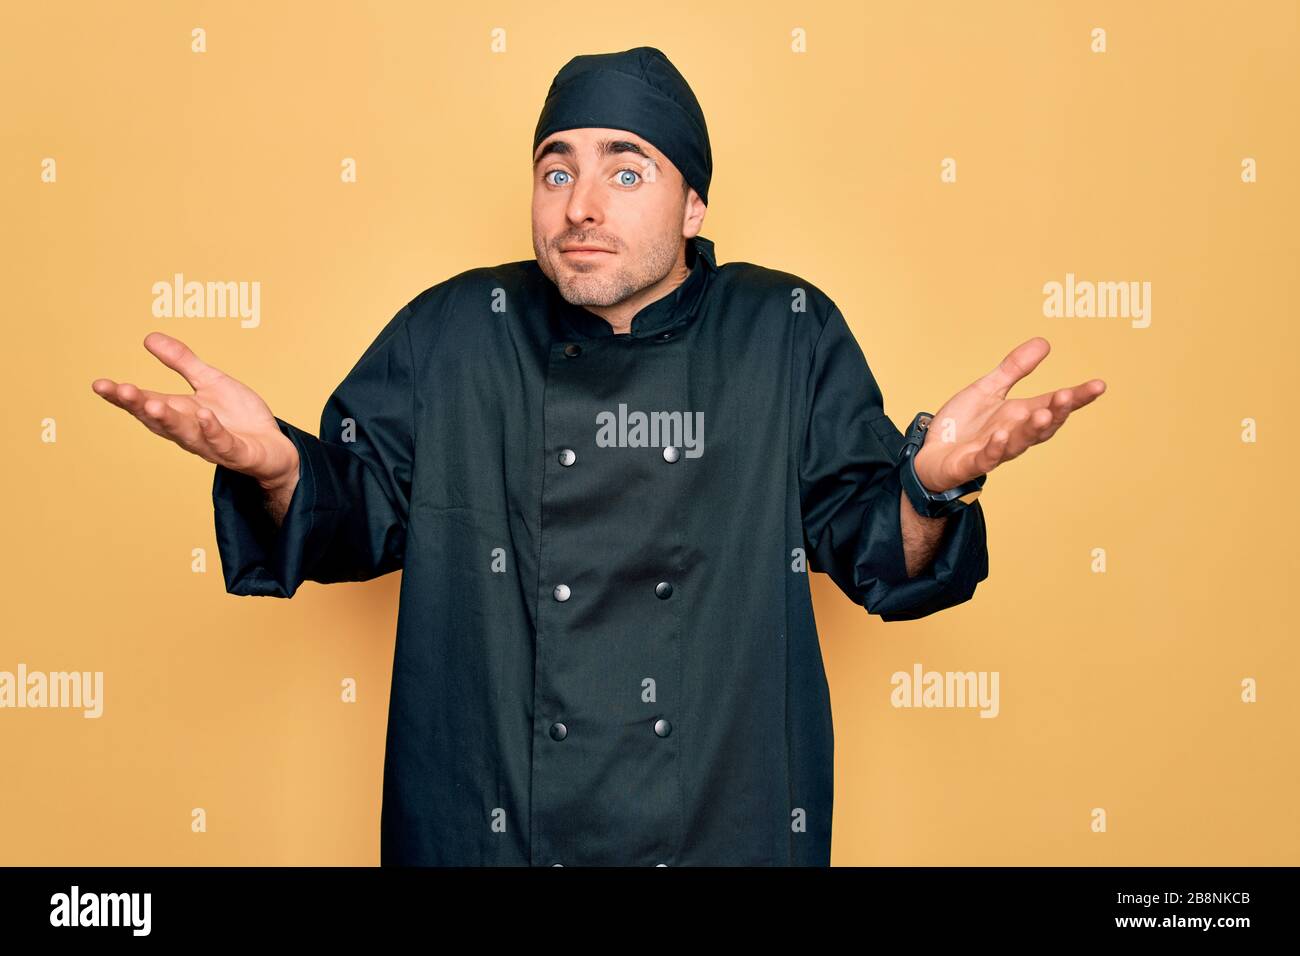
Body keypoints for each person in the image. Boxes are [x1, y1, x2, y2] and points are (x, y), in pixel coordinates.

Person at [92, 46, 1105, 866]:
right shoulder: (456, 329)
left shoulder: (784, 330)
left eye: (626, 170)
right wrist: (272, 464)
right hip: (488, 829)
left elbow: (871, 546)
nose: (581, 203)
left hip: (723, 830)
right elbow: (356, 514)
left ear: (692, 205)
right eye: (556, 169)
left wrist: (934, 480)